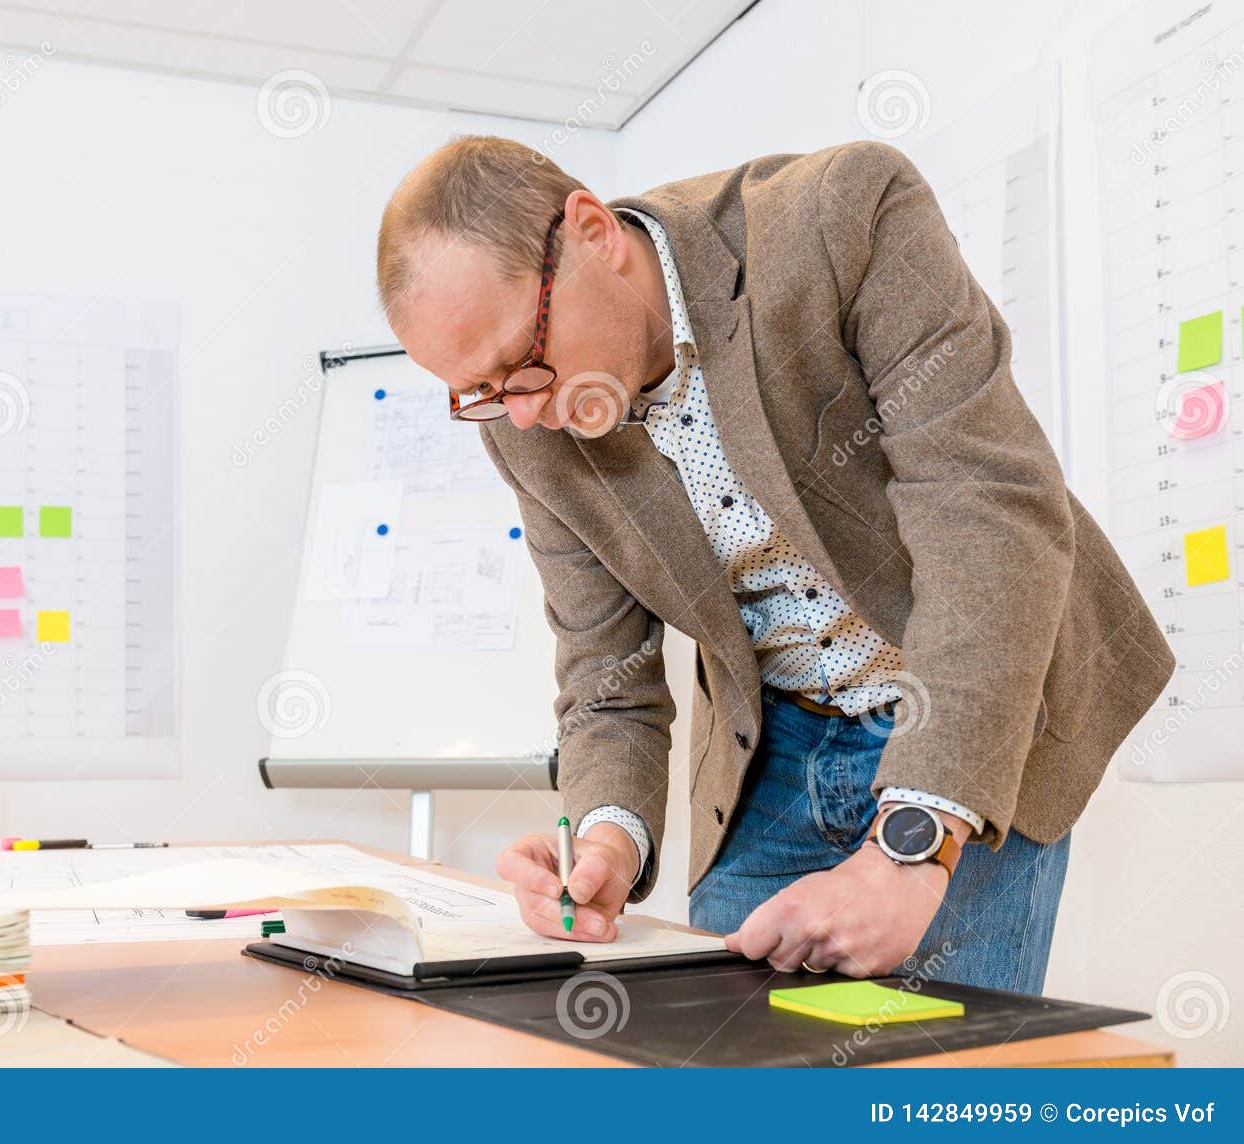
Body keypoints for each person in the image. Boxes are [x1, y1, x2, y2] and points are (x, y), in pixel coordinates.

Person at [373, 136, 1173, 993]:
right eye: (480, 394)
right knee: (739, 1093)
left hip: (963, 700)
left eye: (519, 363)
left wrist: (914, 843)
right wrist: (606, 838)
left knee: (933, 1090)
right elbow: (607, 667)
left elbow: (985, 509)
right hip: (773, 744)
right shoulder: (522, 428)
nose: (520, 414)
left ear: (592, 233)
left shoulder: (841, 217)